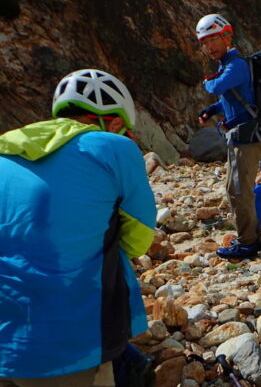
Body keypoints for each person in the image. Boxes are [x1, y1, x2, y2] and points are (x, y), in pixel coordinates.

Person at [0, 69, 156, 387]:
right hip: (65, 348)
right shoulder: (115, 147)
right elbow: (139, 240)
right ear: (114, 123)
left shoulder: (5, 151)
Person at [196, 13, 261, 258]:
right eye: (205, 42)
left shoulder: (235, 64)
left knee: (238, 190)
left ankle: (247, 243)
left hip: (246, 138)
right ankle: (254, 238)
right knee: (237, 188)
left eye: (213, 39)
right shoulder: (227, 64)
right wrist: (213, 109)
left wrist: (207, 83)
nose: (209, 47)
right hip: (241, 136)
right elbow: (233, 98)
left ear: (227, 37)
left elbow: (217, 86)